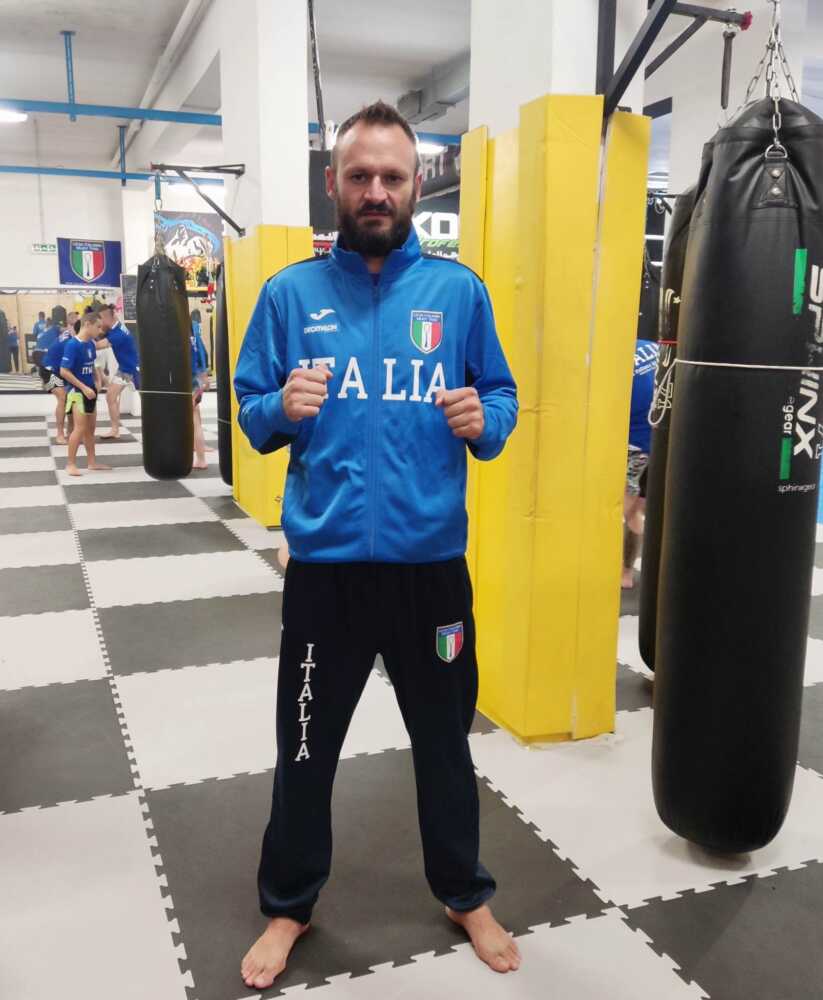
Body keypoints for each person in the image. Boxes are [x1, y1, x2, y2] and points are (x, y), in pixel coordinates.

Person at [234, 101, 519, 992]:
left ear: (416, 184)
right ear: (335, 183)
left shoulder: (458, 292)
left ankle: (464, 892)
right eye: (359, 175)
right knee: (306, 747)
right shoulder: (289, 295)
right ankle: (290, 902)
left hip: (431, 573)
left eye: (392, 176)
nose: (376, 190)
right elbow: (248, 412)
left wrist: (486, 421)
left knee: (444, 745)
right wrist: (282, 407)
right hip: (326, 576)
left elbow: (502, 399)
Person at [622, 338, 659, 589]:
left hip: (635, 446)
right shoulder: (647, 346)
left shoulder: (617, 372)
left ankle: (624, 573)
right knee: (638, 508)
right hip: (659, 436)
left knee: (624, 510)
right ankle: (626, 572)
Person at [59, 313, 111, 477]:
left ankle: (92, 462)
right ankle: (71, 464)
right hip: (77, 393)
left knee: (90, 430)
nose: (100, 330)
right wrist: (83, 387)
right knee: (79, 428)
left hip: (90, 391)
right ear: (87, 324)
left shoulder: (90, 344)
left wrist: (98, 381)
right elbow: (64, 371)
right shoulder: (72, 345)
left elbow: (93, 365)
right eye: (97, 326)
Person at [95, 305, 140, 438]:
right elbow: (103, 333)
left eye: (101, 319)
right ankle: (115, 430)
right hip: (126, 367)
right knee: (111, 397)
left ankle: (115, 430)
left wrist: (82, 340)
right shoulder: (117, 326)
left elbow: (98, 346)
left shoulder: (118, 334)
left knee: (111, 396)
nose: (100, 323)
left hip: (129, 370)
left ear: (108, 318)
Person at [41, 313, 78, 444]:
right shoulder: (70, 342)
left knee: (71, 398)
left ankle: (71, 430)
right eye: (74, 325)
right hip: (48, 371)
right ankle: (60, 434)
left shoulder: (71, 337)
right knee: (63, 397)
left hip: (59, 370)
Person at [190, 319, 210, 469]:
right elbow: (202, 353)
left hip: (190, 380)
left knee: (195, 420)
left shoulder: (184, 333)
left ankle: (201, 458)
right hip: (195, 379)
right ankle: (198, 448)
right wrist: (204, 375)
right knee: (196, 418)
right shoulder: (193, 331)